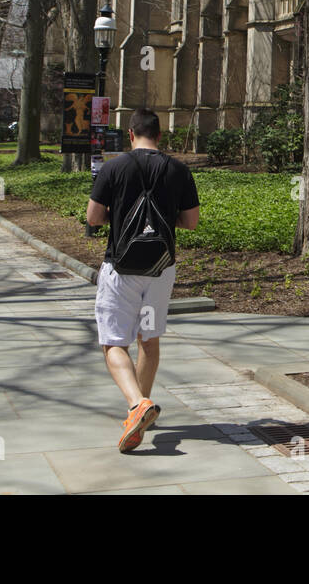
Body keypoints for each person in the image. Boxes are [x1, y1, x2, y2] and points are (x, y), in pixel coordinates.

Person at [86, 108, 199, 452]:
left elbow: (94, 217)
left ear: (130, 134)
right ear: (160, 136)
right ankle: (142, 406)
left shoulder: (114, 167)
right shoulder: (178, 169)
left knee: (114, 342)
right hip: (161, 271)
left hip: (121, 270)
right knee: (148, 340)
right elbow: (190, 222)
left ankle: (138, 405)